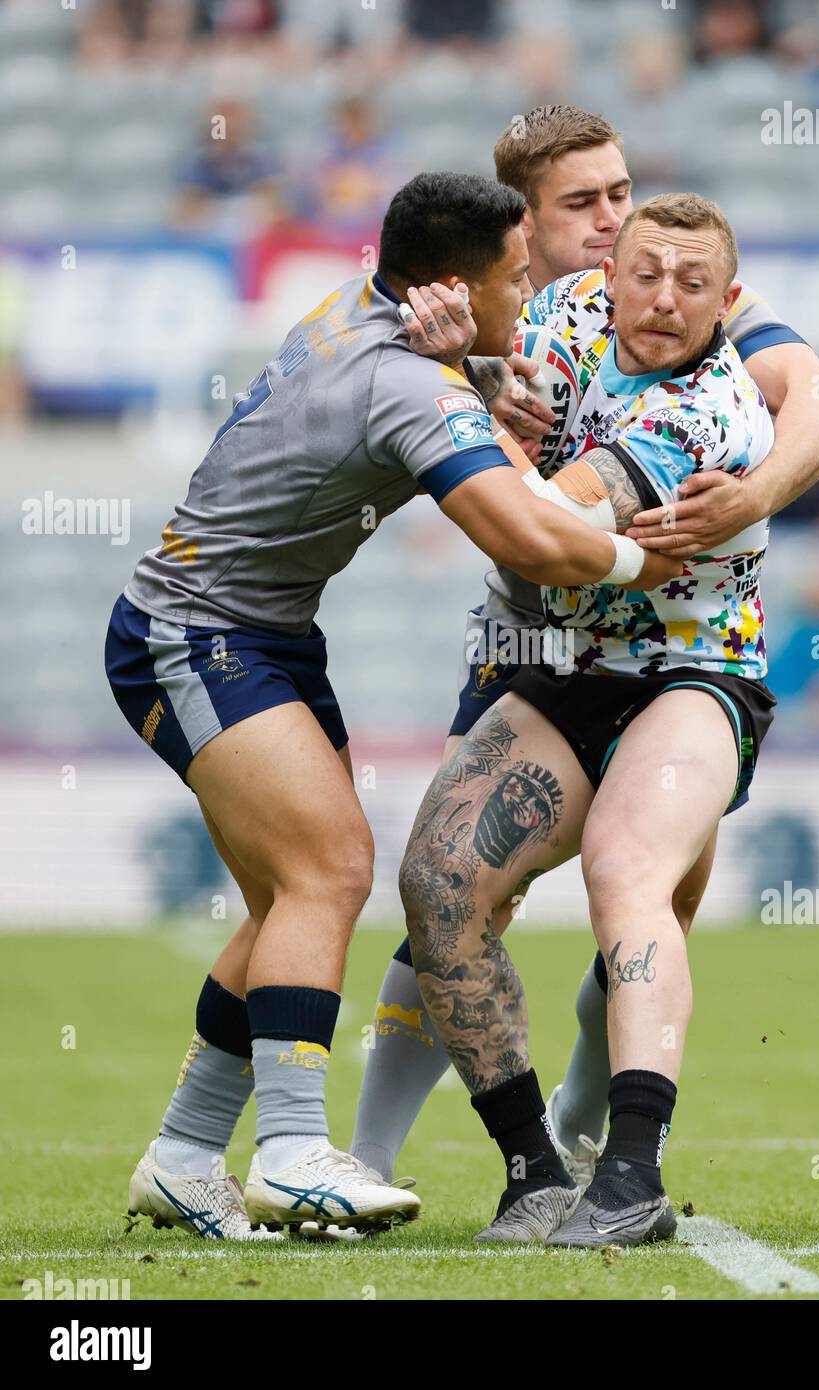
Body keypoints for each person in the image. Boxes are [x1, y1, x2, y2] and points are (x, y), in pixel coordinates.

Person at [104, 171, 679, 1241]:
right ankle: (289, 1154)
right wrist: (648, 558)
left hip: (249, 628)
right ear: (455, 283)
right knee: (329, 870)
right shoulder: (413, 384)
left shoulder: (355, 309)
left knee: (292, 900)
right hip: (198, 633)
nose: (528, 290)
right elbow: (527, 539)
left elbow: (428, 396)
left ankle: (186, 1154)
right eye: (516, 274)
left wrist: (471, 366)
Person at [350, 103, 819, 1190]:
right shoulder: (546, 306)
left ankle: (601, 1130)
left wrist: (748, 499)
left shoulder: (690, 326)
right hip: (534, 639)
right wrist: (477, 394)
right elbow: (476, 437)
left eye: (619, 192)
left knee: (645, 886)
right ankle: (406, 1158)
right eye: (587, 204)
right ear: (523, 228)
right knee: (452, 886)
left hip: (684, 650)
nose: (611, 217)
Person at [399, 193, 776, 1246]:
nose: (662, 299)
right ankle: (529, 1170)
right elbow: (505, 395)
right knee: (436, 882)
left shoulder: (709, 408)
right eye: (645, 274)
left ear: (728, 302)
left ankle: (630, 1172)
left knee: (625, 866)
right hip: (561, 668)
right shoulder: (564, 310)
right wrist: (460, 365)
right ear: (607, 277)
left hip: (693, 670)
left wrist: (444, 401)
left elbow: (544, 524)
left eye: (692, 285)